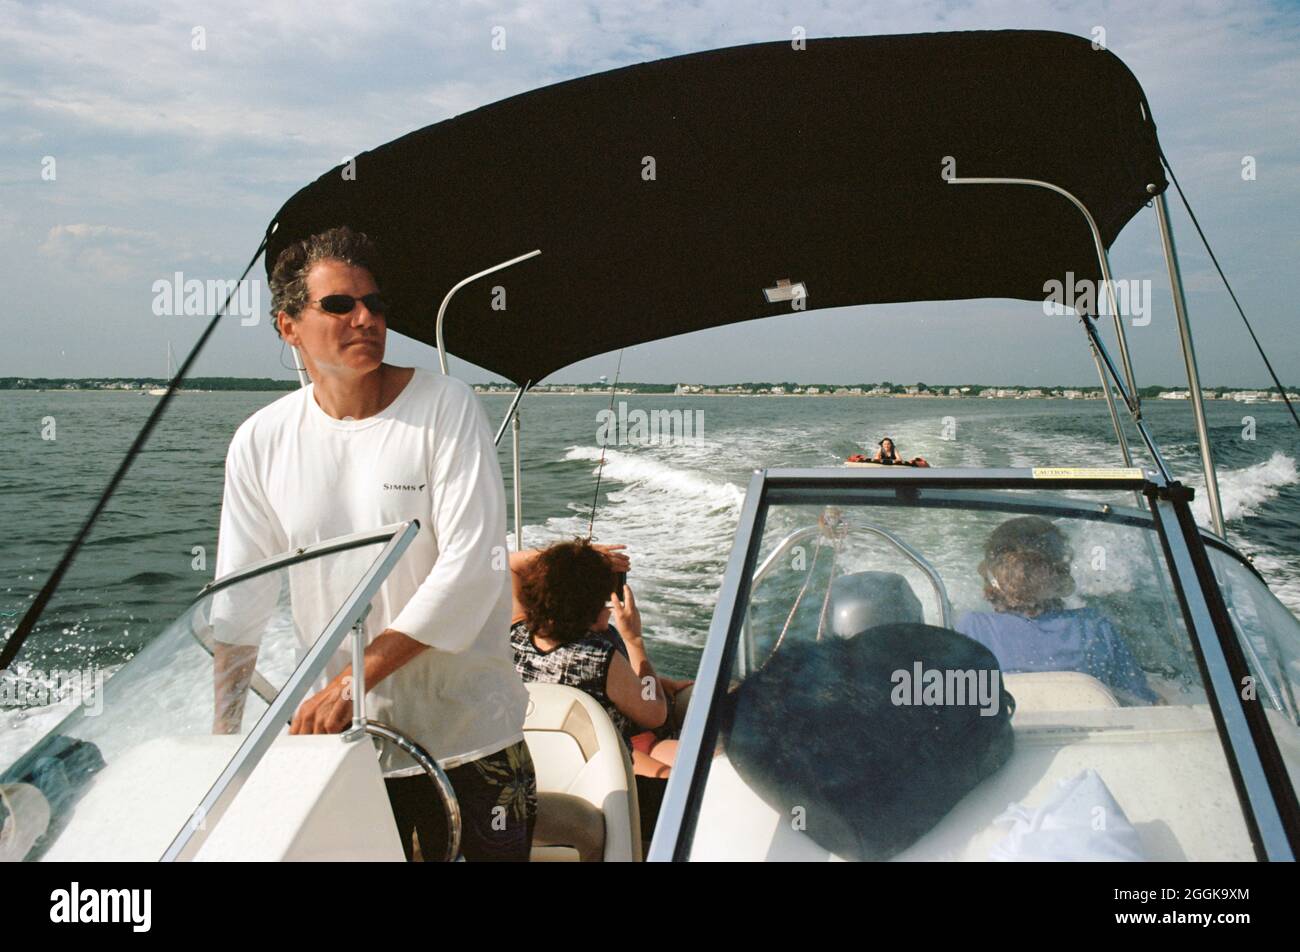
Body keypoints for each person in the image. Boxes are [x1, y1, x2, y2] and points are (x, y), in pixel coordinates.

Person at [211, 225, 535, 862]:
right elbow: (239, 605)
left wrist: (347, 685)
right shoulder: (261, 439)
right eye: (339, 305)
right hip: (352, 750)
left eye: (376, 304)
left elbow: (473, 570)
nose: (366, 318)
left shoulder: (447, 407)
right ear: (288, 327)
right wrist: (222, 749)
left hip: (470, 739)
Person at [509, 540, 688, 779]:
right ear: (589, 608)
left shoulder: (516, 633)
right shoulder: (599, 659)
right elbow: (655, 714)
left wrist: (577, 557)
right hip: (604, 770)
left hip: (547, 763)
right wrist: (634, 641)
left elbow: (511, 564)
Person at [955, 516, 1159, 705]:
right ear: (1060, 572)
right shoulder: (1093, 626)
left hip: (1003, 742)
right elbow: (1138, 698)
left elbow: (954, 702)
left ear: (991, 576)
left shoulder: (972, 627)